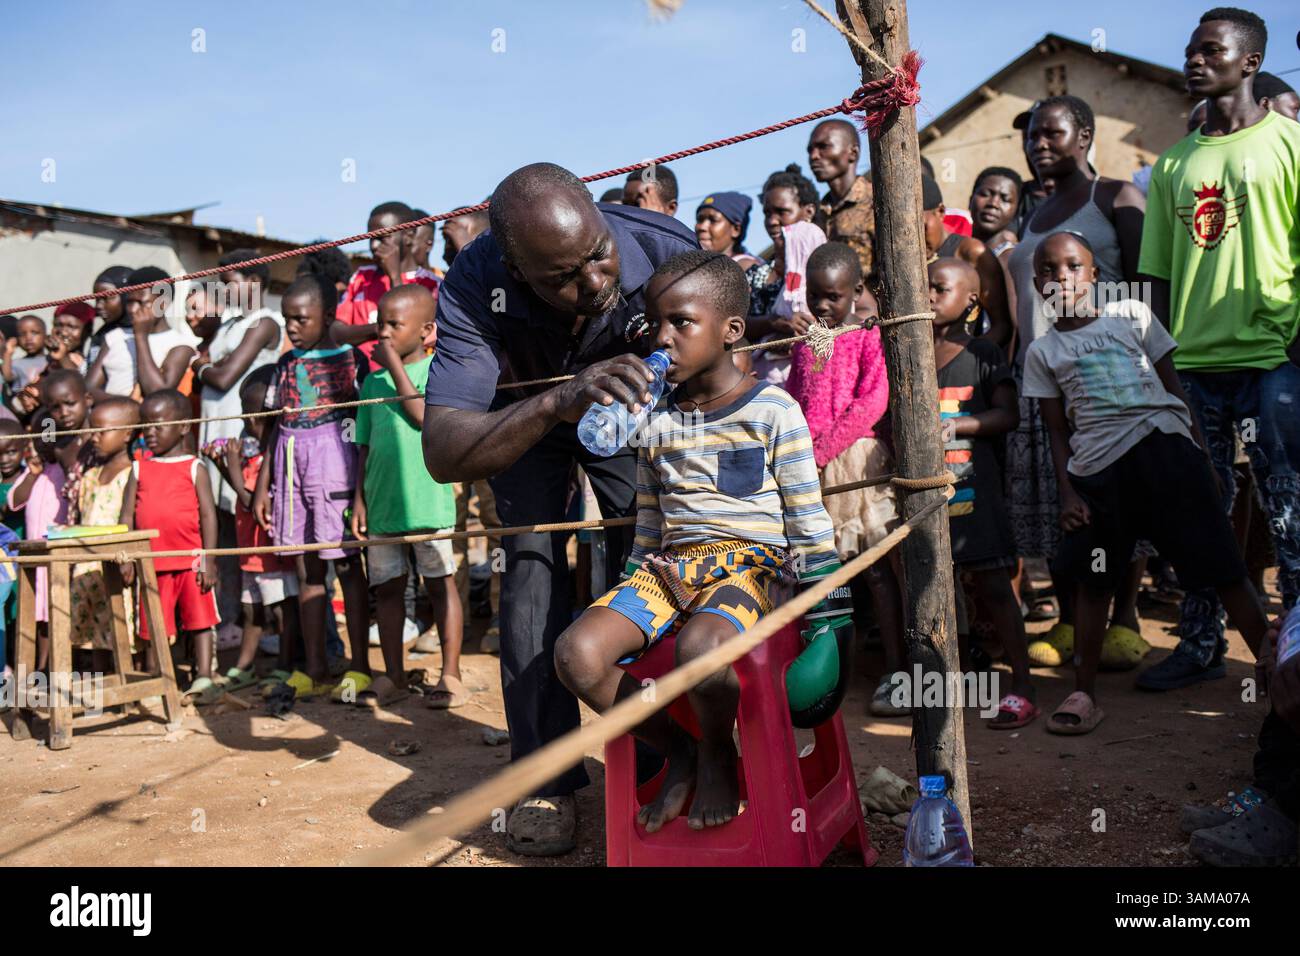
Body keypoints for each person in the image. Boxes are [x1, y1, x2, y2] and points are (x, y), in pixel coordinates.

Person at [421, 162, 697, 856]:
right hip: (526, 414)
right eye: (564, 278)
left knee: (652, 559)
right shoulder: (473, 284)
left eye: (599, 256)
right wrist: (554, 401)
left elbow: (727, 358)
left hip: (635, 414)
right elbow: (445, 447)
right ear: (515, 268)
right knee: (532, 567)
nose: (595, 283)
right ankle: (545, 775)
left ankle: (668, 752)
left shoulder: (664, 247)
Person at [554, 250, 851, 832]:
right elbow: (649, 521)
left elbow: (808, 518)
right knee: (577, 654)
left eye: (680, 323)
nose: (662, 339)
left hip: (753, 569)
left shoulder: (773, 410)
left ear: (730, 330)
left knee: (699, 650)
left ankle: (718, 749)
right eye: (654, 324)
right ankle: (679, 750)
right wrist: (630, 604)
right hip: (667, 571)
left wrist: (827, 611)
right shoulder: (653, 418)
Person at [1023, 229, 1269, 735]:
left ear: (1094, 274)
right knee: (1095, 583)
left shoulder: (1132, 315)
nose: (1060, 278)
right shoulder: (1042, 352)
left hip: (1167, 453)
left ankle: (1276, 677)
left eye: (1072, 266)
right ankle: (1084, 691)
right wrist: (1069, 493)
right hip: (1097, 474)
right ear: (1035, 280)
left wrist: (1203, 458)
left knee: (1224, 567)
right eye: (1047, 269)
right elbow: (1056, 431)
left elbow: (1174, 389)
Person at [1137, 7, 1300, 690]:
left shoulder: (1290, 143)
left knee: (1289, 514)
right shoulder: (1174, 163)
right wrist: (1162, 369)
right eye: (1190, 49)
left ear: (1250, 62)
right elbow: (1158, 279)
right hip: (1196, 370)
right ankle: (1200, 642)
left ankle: (1292, 658)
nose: (1194, 59)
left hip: (1275, 360)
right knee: (1201, 514)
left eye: (1211, 50)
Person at [1004, 94, 1147, 662]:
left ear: (1085, 136)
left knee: (1115, 501)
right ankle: (1068, 620)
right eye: (1034, 135)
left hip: (1103, 379)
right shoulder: (1031, 215)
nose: (1039, 144)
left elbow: (1145, 290)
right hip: (1037, 377)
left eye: (1053, 133)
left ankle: (1127, 617)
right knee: (1053, 500)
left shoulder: (1115, 196)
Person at [784, 243, 906, 717]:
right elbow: (796, 398)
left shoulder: (869, 335)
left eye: (832, 297)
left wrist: (821, 451)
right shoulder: (806, 340)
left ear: (857, 292)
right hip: (809, 467)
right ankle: (825, 676)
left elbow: (873, 402)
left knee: (876, 570)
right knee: (819, 573)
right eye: (814, 297)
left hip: (855, 466)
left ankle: (897, 673)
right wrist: (795, 453)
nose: (821, 307)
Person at [251, 275, 370, 701]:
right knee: (307, 569)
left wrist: (359, 489)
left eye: (301, 318)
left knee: (349, 568)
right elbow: (276, 427)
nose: (292, 327)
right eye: (287, 319)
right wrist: (264, 487)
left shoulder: (351, 359)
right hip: (290, 467)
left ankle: (360, 666)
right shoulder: (285, 363)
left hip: (335, 465)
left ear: (328, 318)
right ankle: (315, 666)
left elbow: (363, 429)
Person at [928, 257, 1035, 727]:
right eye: (925, 286)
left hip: (977, 489)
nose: (929, 295)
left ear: (971, 300)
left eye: (940, 288)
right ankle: (951, 682)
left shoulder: (983, 353)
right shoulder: (908, 353)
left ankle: (1023, 684)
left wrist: (956, 426)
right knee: (933, 589)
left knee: (993, 584)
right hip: (926, 498)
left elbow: (1007, 415)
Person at [352, 285, 464, 708]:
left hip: (428, 502)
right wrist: (359, 500)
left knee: (439, 585)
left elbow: (421, 417)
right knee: (387, 591)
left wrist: (394, 365)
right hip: (381, 506)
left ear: (427, 331)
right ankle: (394, 674)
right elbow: (363, 447)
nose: (383, 334)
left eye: (394, 326)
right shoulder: (371, 382)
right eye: (379, 324)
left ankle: (449, 674)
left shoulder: (439, 371)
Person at [201, 371, 301, 693]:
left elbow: (251, 503)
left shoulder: (273, 461)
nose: (246, 424)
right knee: (251, 611)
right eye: (244, 416)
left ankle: (286, 664)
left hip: (271, 556)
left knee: (281, 610)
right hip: (250, 555)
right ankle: (245, 666)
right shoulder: (252, 456)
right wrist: (221, 465)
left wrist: (228, 467)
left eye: (253, 418)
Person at [120, 389, 220, 700]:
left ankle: (203, 676)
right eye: (145, 425)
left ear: (183, 427)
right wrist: (127, 556)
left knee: (200, 621)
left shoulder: (194, 467)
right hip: (152, 563)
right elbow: (126, 515)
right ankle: (158, 680)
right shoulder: (139, 467)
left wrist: (209, 559)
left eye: (158, 425)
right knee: (154, 625)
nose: (149, 433)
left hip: (191, 559)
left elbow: (208, 515)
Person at [68, 398, 139, 672]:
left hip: (114, 563)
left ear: (127, 434)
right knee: (92, 636)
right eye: (92, 430)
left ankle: (127, 689)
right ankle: (100, 693)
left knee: (119, 627)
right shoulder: (90, 476)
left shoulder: (133, 474)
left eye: (102, 431)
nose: (94, 438)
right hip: (84, 569)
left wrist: (128, 557)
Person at [335, 201, 440, 370]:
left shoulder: (432, 286)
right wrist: (381, 329)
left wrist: (394, 277)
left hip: (408, 384)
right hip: (363, 382)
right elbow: (337, 333)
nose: (374, 246)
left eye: (382, 238)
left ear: (408, 236)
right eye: (370, 238)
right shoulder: (362, 277)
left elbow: (416, 338)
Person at [923, 175, 1012, 345]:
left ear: (940, 212)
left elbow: (1001, 326)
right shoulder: (903, 258)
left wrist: (966, 360)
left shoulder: (971, 253)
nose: (915, 237)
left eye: (922, 226)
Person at [86, 266, 195, 399]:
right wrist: (126, 404)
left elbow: (158, 393)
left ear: (163, 303)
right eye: (129, 302)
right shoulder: (115, 337)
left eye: (140, 302)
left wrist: (141, 337)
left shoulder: (180, 344)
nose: (132, 309)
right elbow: (88, 389)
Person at [807, 118, 874, 277]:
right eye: (810, 150)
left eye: (823, 147)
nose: (814, 156)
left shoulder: (877, 202)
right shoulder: (817, 213)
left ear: (853, 153)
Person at [3, 316, 48, 415]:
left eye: (34, 333)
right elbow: (7, 377)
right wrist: (8, 353)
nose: (28, 338)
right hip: (25, 410)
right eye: (22, 334)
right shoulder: (16, 363)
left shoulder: (51, 360)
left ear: (45, 335)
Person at [968, 167, 1023, 245]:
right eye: (985, 194)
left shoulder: (1015, 256)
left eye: (1005, 199)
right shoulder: (950, 248)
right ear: (970, 201)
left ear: (1016, 211)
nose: (993, 204)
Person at [48, 302, 95, 371]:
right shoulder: (44, 361)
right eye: (58, 325)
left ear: (88, 331)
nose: (64, 333)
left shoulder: (92, 365)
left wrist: (62, 357)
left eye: (72, 327)